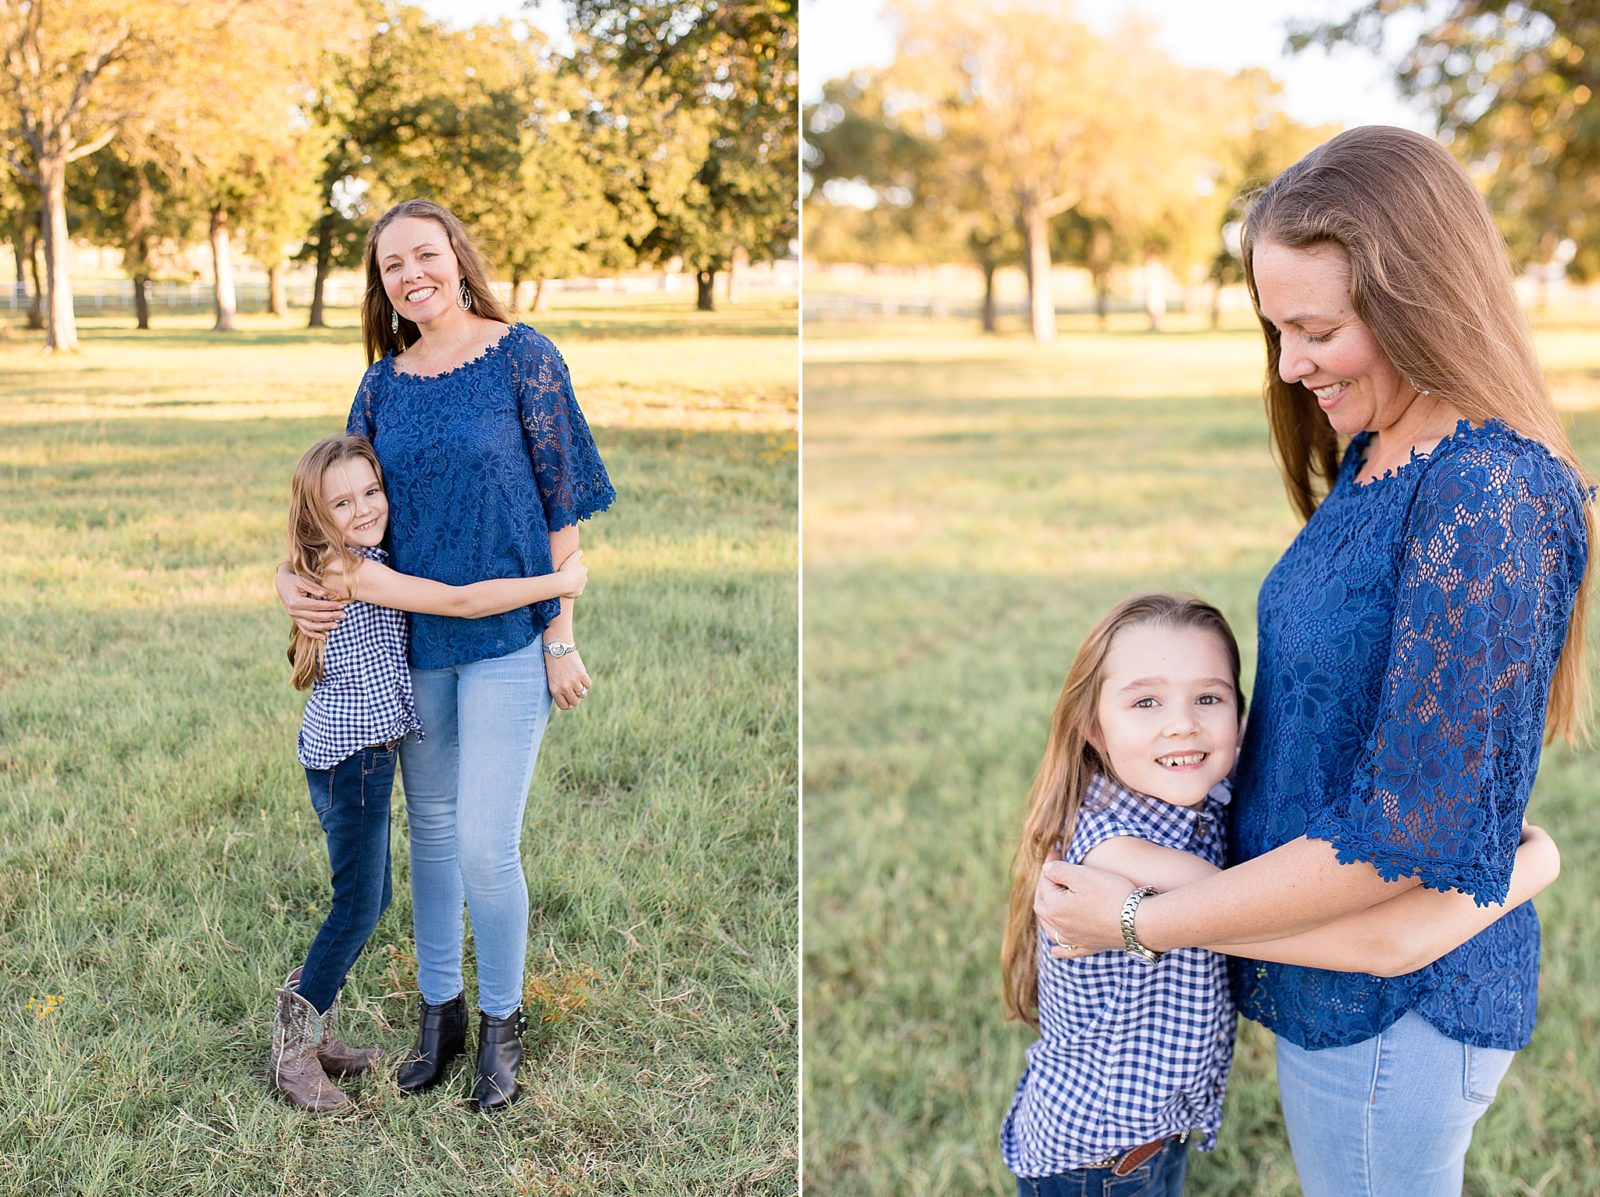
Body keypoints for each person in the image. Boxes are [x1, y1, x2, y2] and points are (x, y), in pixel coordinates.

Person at [1033, 126, 1592, 1196]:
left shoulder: (1487, 496)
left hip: (1394, 1006)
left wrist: (1136, 922)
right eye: (1274, 328)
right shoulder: (1381, 449)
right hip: (1316, 964)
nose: (1289, 364)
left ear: (1417, 298)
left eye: (1315, 328)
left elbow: (1401, 848)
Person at [1002, 593, 1561, 1197]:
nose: (1182, 724)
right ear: (1091, 726)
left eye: (1208, 698)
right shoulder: (1119, 854)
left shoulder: (1189, 789)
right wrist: (1539, 860)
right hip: (1094, 1156)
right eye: (1145, 702)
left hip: (1147, 1138)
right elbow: (1254, 910)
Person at [277, 198, 616, 1111]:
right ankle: (442, 1015)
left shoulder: (525, 358)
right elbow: (332, 508)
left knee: (482, 843)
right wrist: (287, 577)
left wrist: (561, 635)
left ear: (458, 258)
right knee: (429, 837)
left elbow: (562, 508)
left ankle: (503, 1026)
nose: (411, 275)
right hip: (416, 646)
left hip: (508, 639)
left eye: (425, 255)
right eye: (392, 266)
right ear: (381, 285)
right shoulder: (381, 386)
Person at [272, 434, 588, 1114]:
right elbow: (463, 603)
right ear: (315, 516)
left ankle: (312, 1025)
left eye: (370, 491)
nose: (363, 508)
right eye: (341, 502)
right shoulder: (350, 571)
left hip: (361, 757)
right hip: (350, 762)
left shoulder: (356, 557)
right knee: (359, 903)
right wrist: (558, 584)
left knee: (372, 897)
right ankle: (293, 1046)